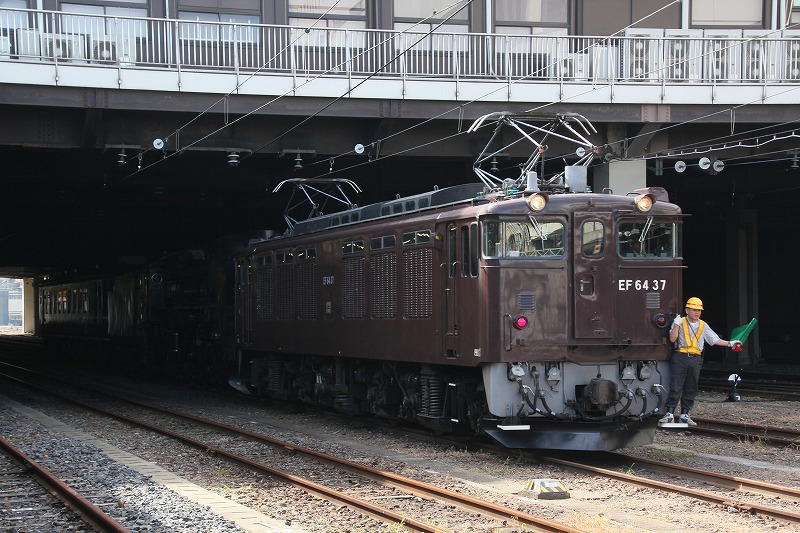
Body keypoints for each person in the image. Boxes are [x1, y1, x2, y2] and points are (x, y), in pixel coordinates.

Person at [659, 297, 742, 426]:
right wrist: (676, 325)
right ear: (687, 310)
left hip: (695, 358)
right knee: (676, 385)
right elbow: (672, 338)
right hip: (680, 356)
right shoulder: (680, 322)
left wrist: (730, 343)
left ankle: (685, 414)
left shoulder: (703, 325)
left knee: (691, 387)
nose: (697, 312)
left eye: (699, 310)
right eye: (694, 310)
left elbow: (714, 339)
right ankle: (669, 414)